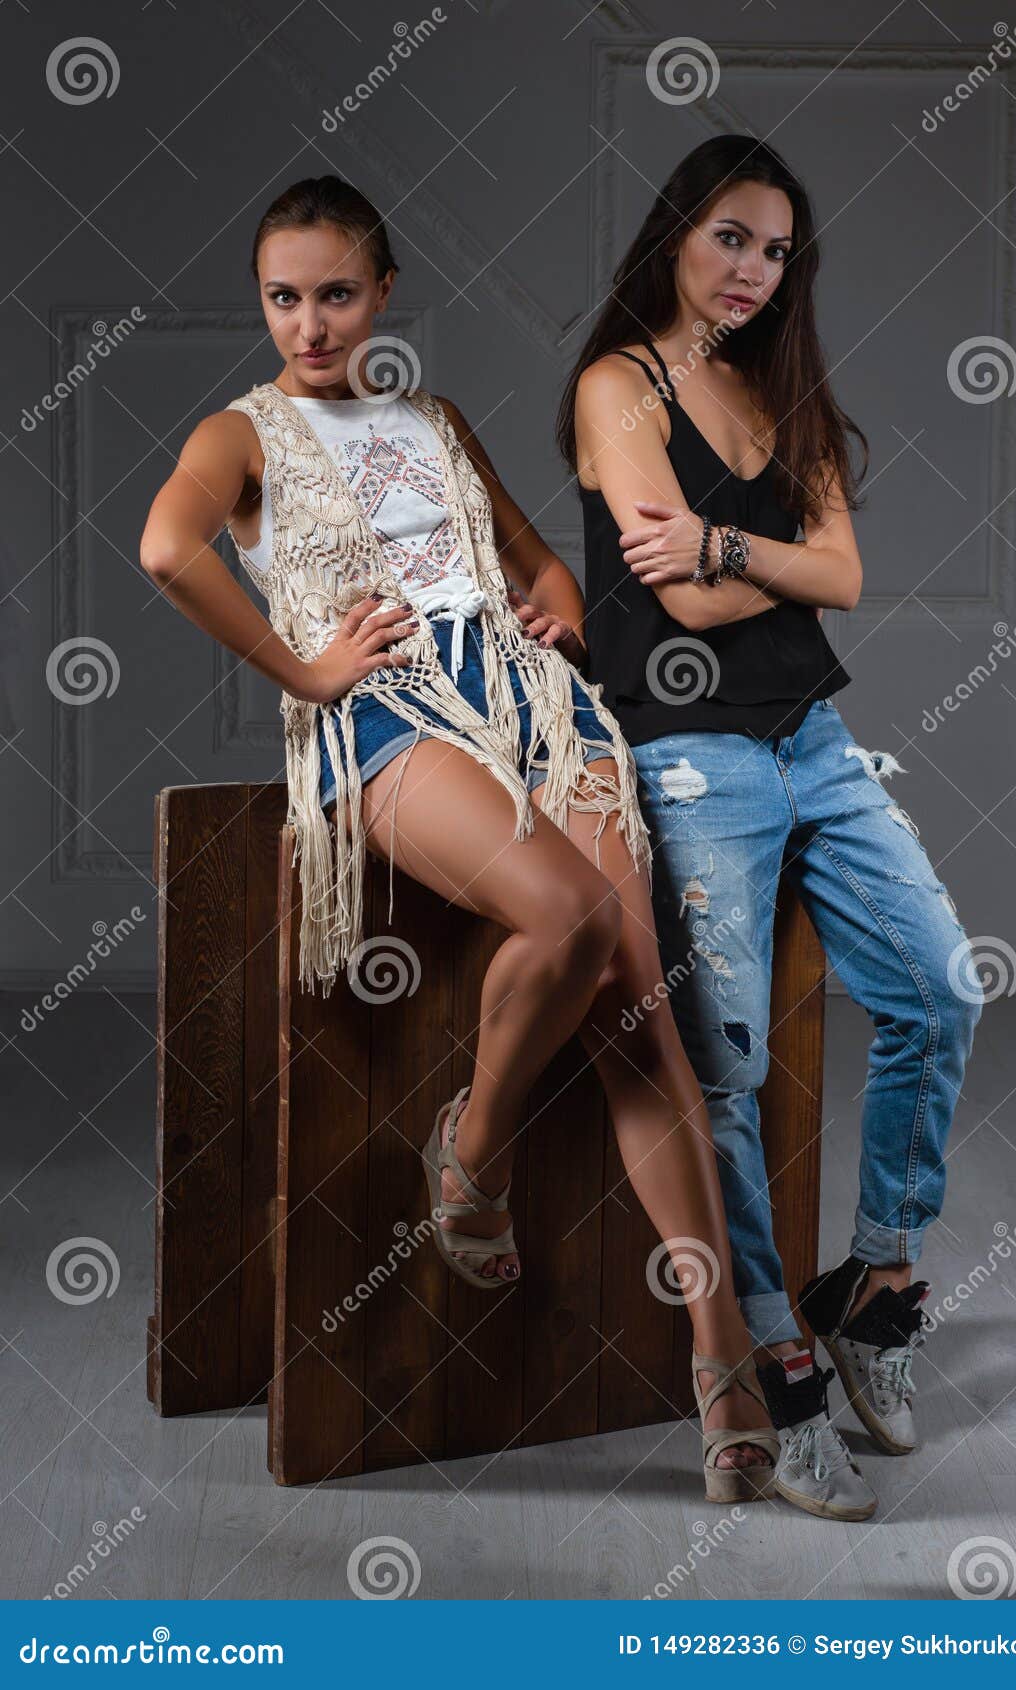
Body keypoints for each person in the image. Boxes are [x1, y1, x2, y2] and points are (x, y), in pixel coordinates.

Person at [139, 173, 788, 1503]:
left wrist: (557, 620)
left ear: (381, 292)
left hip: (535, 708)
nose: (309, 324)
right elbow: (166, 547)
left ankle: (720, 1356)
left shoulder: (434, 422)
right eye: (283, 296)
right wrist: (303, 667)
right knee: (572, 918)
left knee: (642, 1011)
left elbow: (540, 570)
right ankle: (473, 1152)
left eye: (334, 293)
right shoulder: (244, 433)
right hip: (388, 717)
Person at [561, 134, 982, 1521]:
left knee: (936, 985)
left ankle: (874, 1281)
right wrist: (767, 570)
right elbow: (671, 611)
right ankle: (773, 1350)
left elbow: (843, 577)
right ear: (679, 231)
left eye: (778, 249)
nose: (753, 269)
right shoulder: (617, 386)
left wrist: (730, 549)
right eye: (732, 236)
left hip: (813, 740)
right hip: (691, 755)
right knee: (724, 1063)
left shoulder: (780, 384)